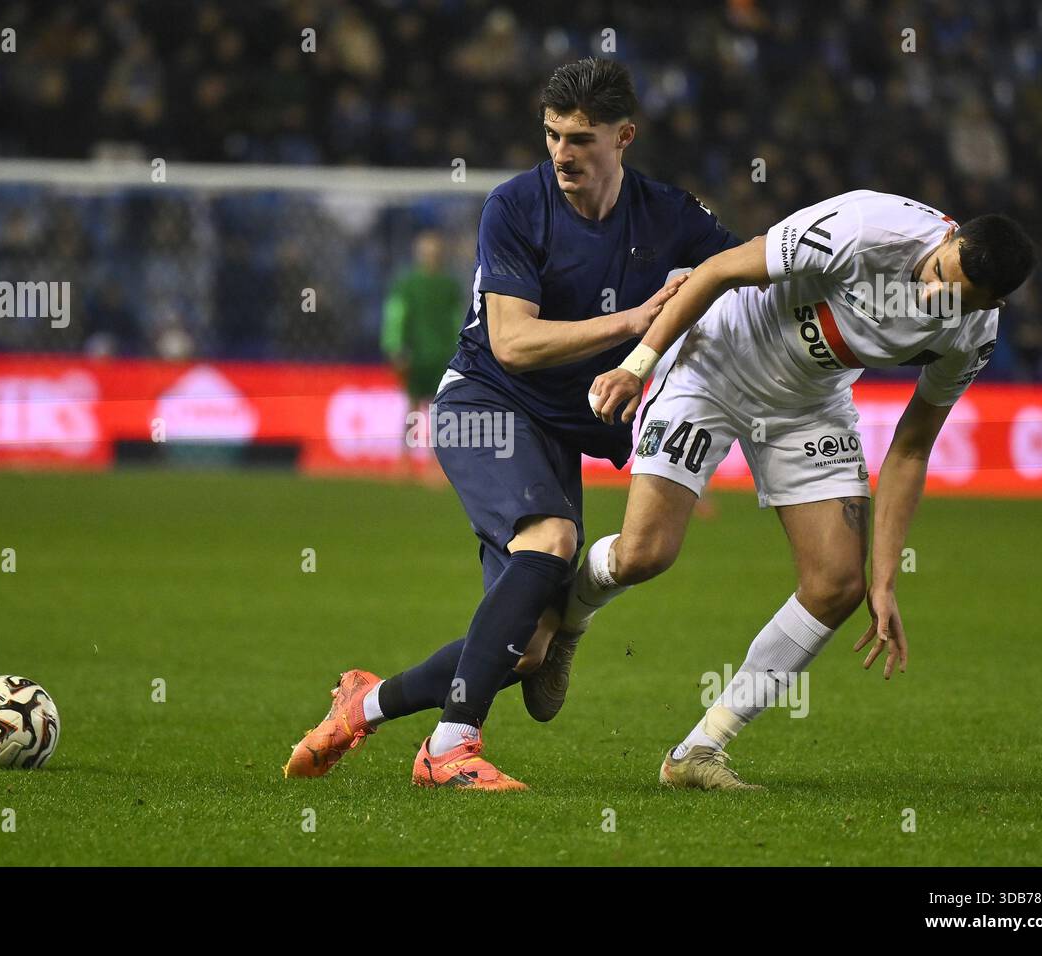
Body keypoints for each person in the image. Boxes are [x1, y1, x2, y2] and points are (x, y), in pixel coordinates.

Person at [283, 57, 739, 789]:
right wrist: (636, 318)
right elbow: (513, 343)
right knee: (552, 540)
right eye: (553, 134)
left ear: (624, 137)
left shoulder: (671, 217)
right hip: (482, 406)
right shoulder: (516, 206)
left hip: (555, 432)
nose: (562, 152)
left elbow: (743, 271)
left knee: (524, 650)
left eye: (581, 138)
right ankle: (447, 750)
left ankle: (359, 705)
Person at [544, 190, 1035, 790]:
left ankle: (699, 751)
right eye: (938, 272)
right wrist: (637, 365)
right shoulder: (863, 227)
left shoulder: (974, 337)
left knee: (839, 584)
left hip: (808, 405)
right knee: (645, 554)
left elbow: (910, 447)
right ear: (948, 237)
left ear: (993, 303)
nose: (934, 294)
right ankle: (569, 620)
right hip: (719, 359)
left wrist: (884, 579)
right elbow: (721, 269)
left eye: (955, 298)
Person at [380, 230, 463, 479]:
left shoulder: (449, 286)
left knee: (439, 410)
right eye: (426, 252)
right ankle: (405, 458)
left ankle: (435, 463)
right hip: (415, 355)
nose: (431, 257)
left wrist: (460, 349)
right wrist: (395, 346)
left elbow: (456, 320)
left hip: (443, 355)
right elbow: (396, 315)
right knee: (413, 406)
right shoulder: (407, 284)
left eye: (434, 252)